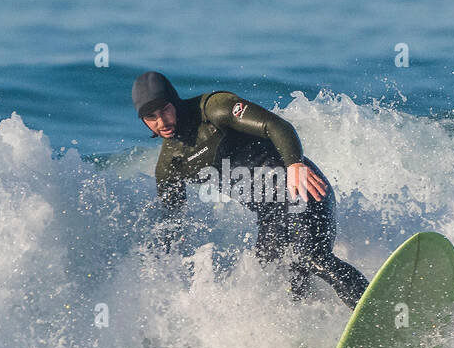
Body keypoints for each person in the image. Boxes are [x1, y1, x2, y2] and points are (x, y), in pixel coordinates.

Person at [131, 71, 368, 308]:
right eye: (151, 117)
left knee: (312, 258)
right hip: (270, 217)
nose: (161, 122)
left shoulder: (215, 109)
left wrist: (295, 164)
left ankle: (376, 312)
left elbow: (276, 125)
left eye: (165, 110)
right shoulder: (169, 164)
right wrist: (164, 261)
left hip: (301, 189)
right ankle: (322, 331)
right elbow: (172, 218)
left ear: (175, 101)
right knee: (277, 280)